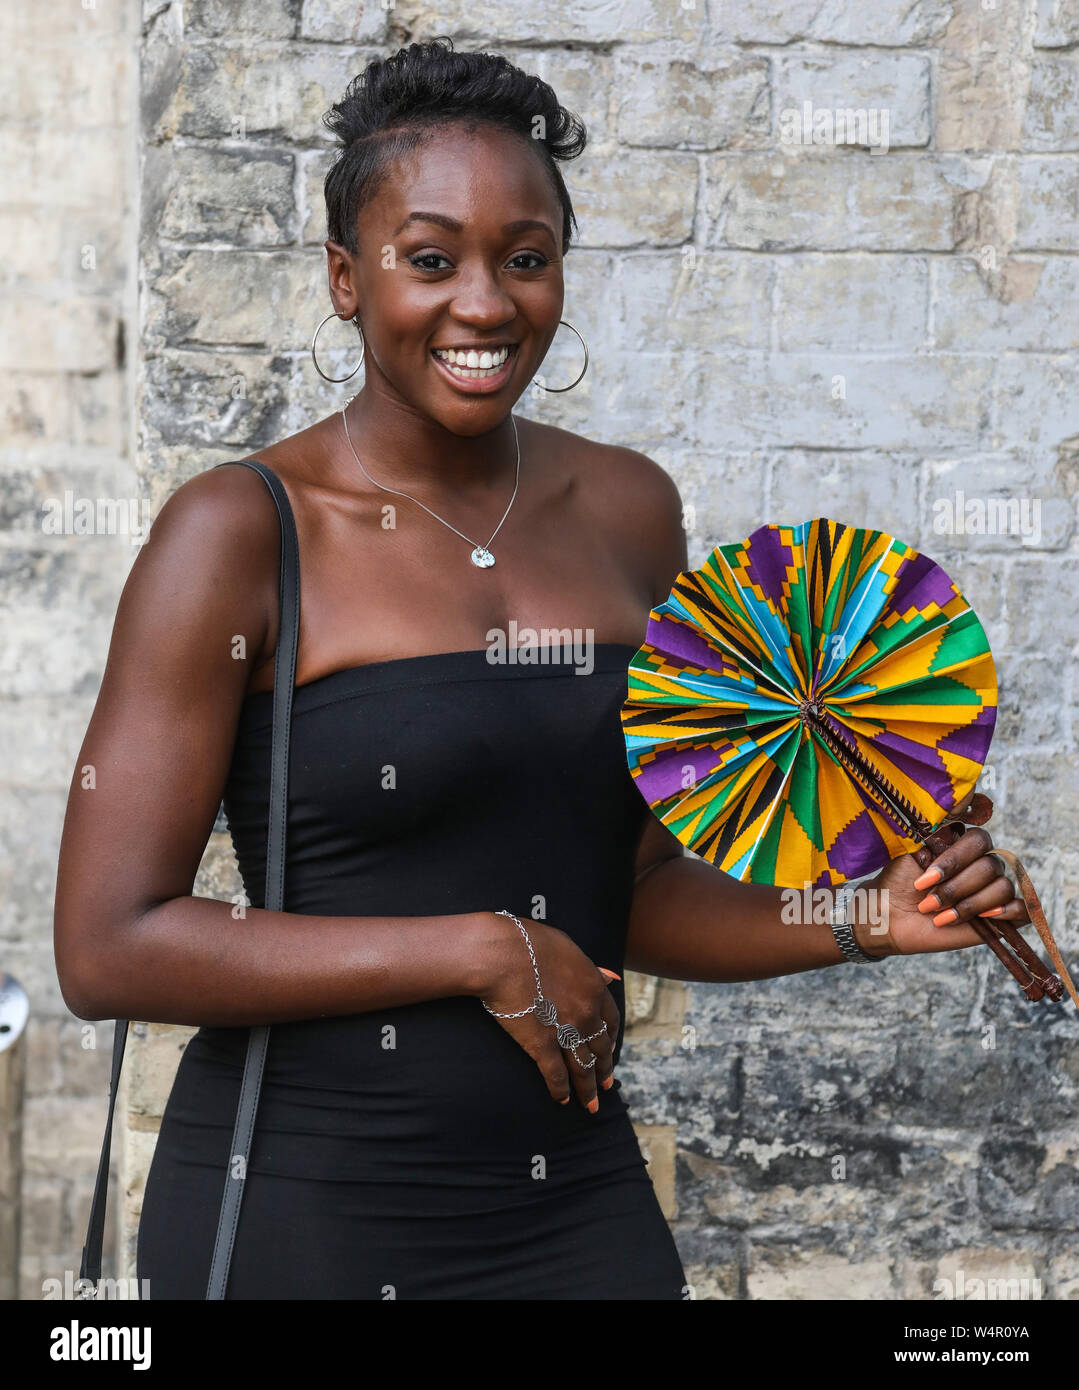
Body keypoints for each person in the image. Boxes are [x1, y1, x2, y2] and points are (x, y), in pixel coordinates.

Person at [53, 39, 1027, 1300]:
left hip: (570, 1203)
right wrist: (478, 949)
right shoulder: (239, 532)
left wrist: (860, 915)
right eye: (428, 259)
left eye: (524, 259)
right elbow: (107, 945)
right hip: (301, 1209)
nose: (483, 302)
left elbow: (629, 886)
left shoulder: (625, 510)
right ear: (346, 280)